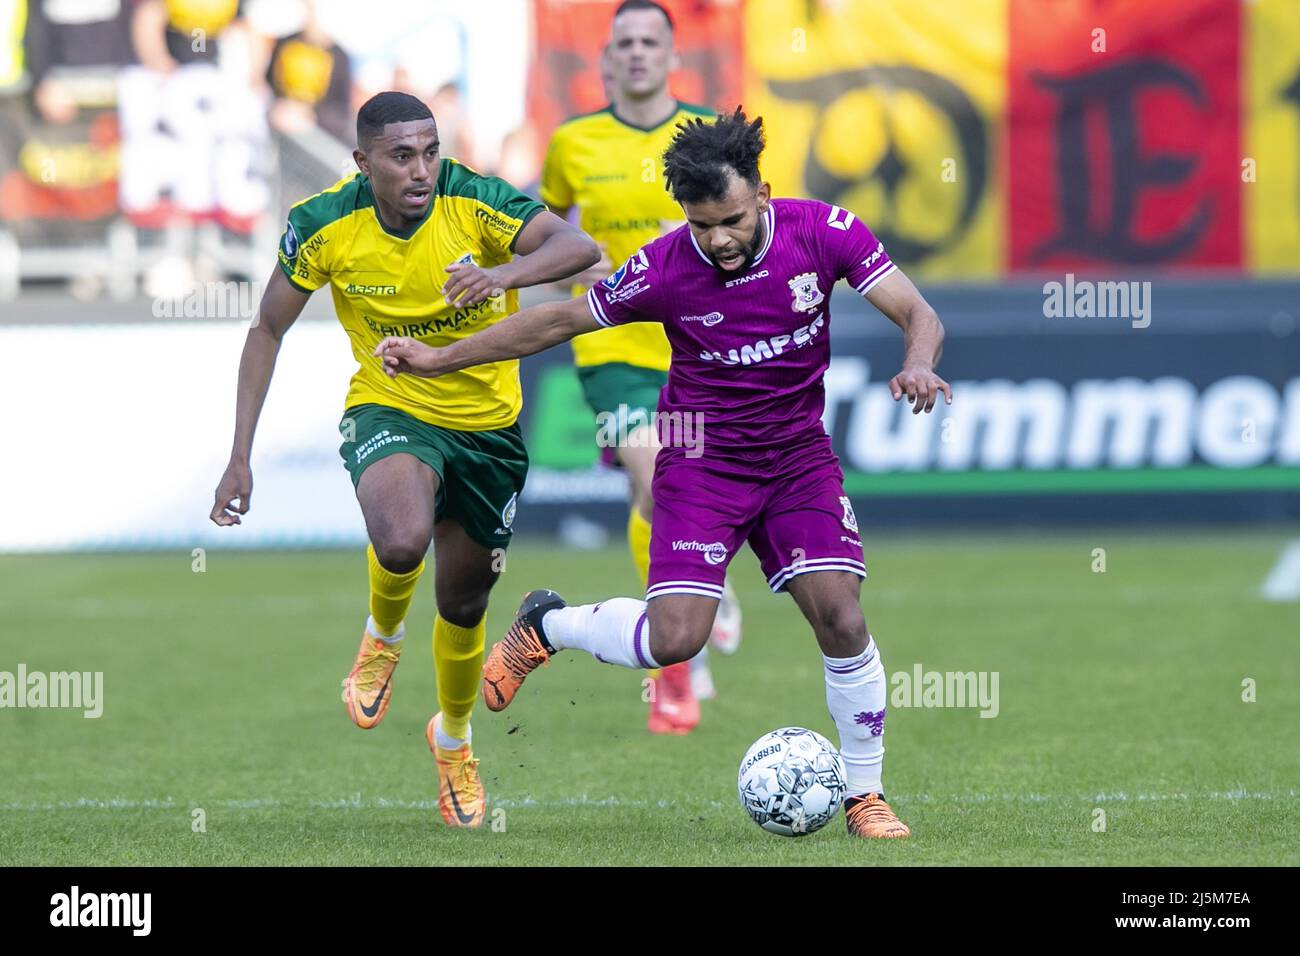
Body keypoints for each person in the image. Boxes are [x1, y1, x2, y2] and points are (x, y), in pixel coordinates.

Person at [373, 107, 952, 839]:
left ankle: (864, 794)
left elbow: (917, 310)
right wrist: (440, 357)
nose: (719, 239)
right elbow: (557, 321)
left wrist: (920, 362)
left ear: (764, 193)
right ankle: (547, 625)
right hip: (703, 461)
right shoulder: (667, 265)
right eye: (702, 223)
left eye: (733, 220)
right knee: (676, 639)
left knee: (841, 615)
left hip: (798, 460)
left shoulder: (825, 232)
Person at [209, 90, 599, 829]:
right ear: (363, 162)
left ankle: (453, 741)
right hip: (390, 405)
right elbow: (266, 328)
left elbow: (579, 250)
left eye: (430, 151)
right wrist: (240, 456)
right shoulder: (322, 224)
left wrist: (502, 275)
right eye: (401, 156)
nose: (421, 169)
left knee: (462, 604)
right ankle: (382, 639)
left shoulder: (474, 201)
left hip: (489, 428)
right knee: (400, 537)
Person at [538, 0, 739, 734]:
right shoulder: (573, 142)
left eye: (651, 40)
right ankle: (676, 665)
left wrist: (693, 238)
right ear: (606, 57)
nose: (637, 53)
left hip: (696, 343)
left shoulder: (708, 138)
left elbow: (748, 233)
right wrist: (562, 280)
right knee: (653, 480)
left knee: (695, 493)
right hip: (614, 344)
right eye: (624, 41)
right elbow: (545, 232)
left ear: (672, 54)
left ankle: (705, 595)